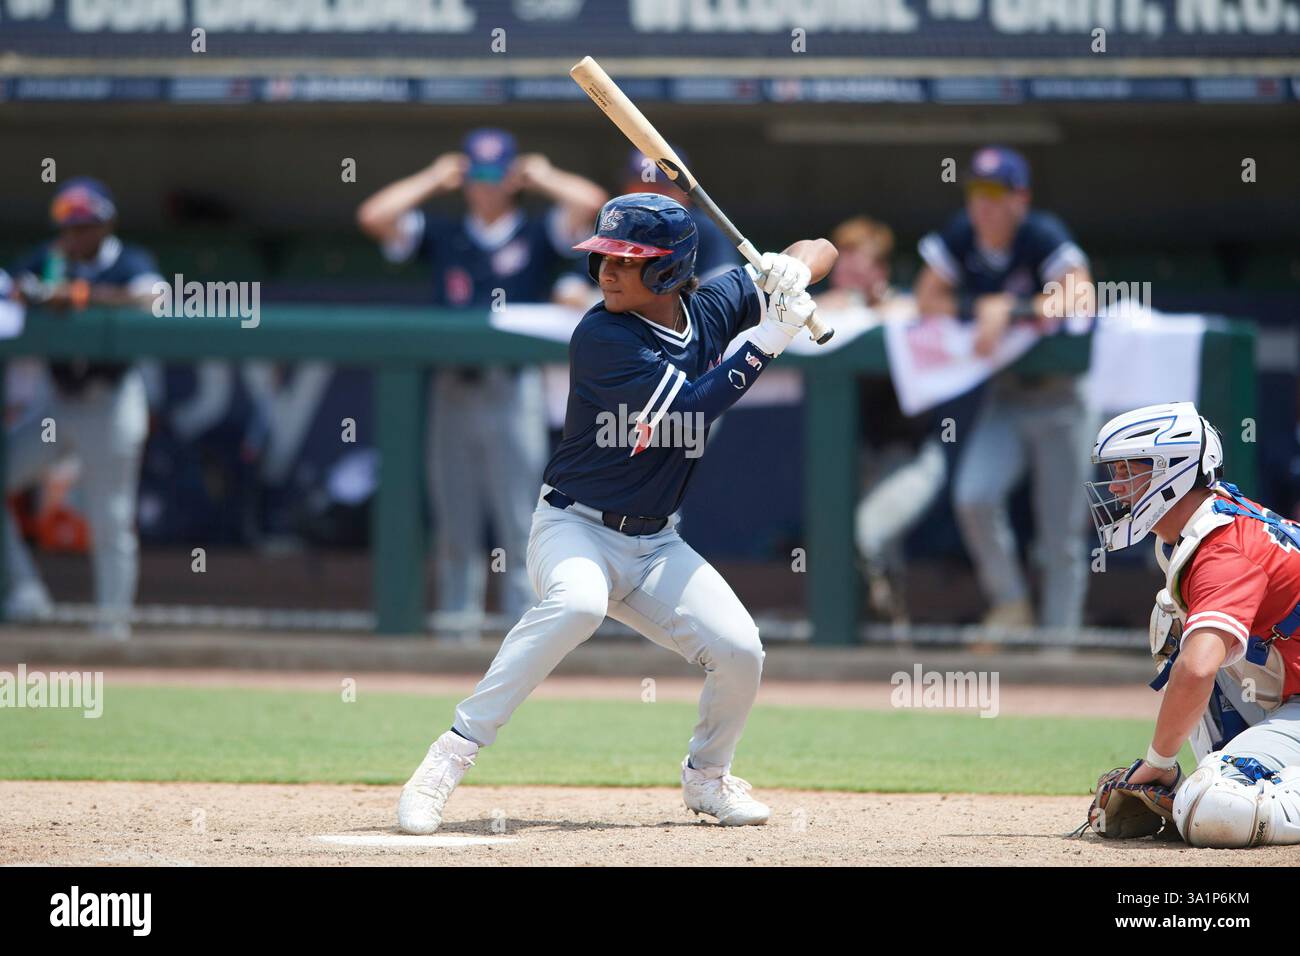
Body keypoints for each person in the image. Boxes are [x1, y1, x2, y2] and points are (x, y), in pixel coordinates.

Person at [395, 192, 836, 832]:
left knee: (741, 649)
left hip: (657, 545)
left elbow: (820, 249)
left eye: (627, 261)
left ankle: (708, 777)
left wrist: (789, 268)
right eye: (603, 257)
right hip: (574, 527)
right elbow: (685, 410)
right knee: (575, 605)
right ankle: (447, 759)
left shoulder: (709, 308)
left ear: (666, 269)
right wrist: (768, 338)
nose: (607, 271)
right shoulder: (602, 335)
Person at [357, 129, 607, 632]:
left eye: (496, 175)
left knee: (520, 518)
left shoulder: (535, 232)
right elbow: (374, 217)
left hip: (513, 386)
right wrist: (434, 177)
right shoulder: (446, 232)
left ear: (512, 178)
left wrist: (541, 175)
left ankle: (525, 635)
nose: (486, 186)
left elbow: (593, 204)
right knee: (454, 518)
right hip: (453, 386)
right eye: (478, 175)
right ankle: (457, 627)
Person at [1084, 401, 1300, 847]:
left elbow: (1198, 668)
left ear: (1171, 472)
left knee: (1213, 808)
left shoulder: (1224, 547)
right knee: (1173, 620)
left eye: (1127, 471)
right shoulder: (1212, 523)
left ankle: (1239, 786)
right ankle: (1238, 772)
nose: (1117, 486)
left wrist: (1159, 761)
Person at [914, 146, 1095, 629]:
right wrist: (981, 307)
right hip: (1008, 398)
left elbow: (1081, 293)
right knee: (973, 496)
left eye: (995, 193)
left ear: (1020, 197)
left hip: (1063, 401)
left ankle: (1060, 651)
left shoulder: (1040, 232)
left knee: (1061, 539)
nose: (983, 204)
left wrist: (1013, 310)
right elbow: (927, 296)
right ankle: (1011, 603)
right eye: (977, 192)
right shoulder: (963, 234)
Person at [5, 177, 162, 639]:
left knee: (110, 515)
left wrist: (78, 296)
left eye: (84, 227)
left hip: (110, 401)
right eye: (68, 227)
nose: (74, 236)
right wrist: (32, 293)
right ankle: (25, 592)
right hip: (55, 401)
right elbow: (10, 287)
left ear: (105, 224)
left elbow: (153, 297)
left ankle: (112, 626)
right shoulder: (49, 258)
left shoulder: (128, 261)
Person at [817, 216, 945, 624]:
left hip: (912, 457)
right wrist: (827, 306)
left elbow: (915, 312)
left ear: (882, 271)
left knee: (866, 534)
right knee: (861, 545)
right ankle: (884, 633)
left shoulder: (903, 308)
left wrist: (871, 306)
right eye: (845, 264)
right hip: (857, 458)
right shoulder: (827, 310)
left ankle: (892, 629)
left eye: (862, 264)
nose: (851, 275)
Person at [552, 146, 737, 310]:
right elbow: (569, 287)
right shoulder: (616, 228)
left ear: (683, 193)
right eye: (640, 189)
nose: (650, 200)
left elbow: (724, 289)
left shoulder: (703, 228)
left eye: (660, 191)